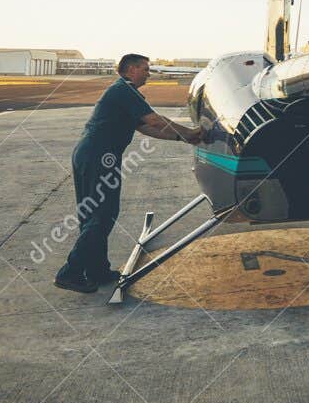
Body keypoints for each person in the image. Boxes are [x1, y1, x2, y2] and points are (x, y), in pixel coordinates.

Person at [55, 53, 202, 293]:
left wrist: (183, 138)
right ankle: (70, 272)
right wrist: (190, 132)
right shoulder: (125, 91)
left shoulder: (123, 92)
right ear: (131, 69)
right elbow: (154, 120)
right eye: (145, 69)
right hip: (99, 157)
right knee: (102, 215)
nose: (148, 73)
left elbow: (147, 129)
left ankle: (97, 270)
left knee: (94, 214)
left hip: (91, 155)